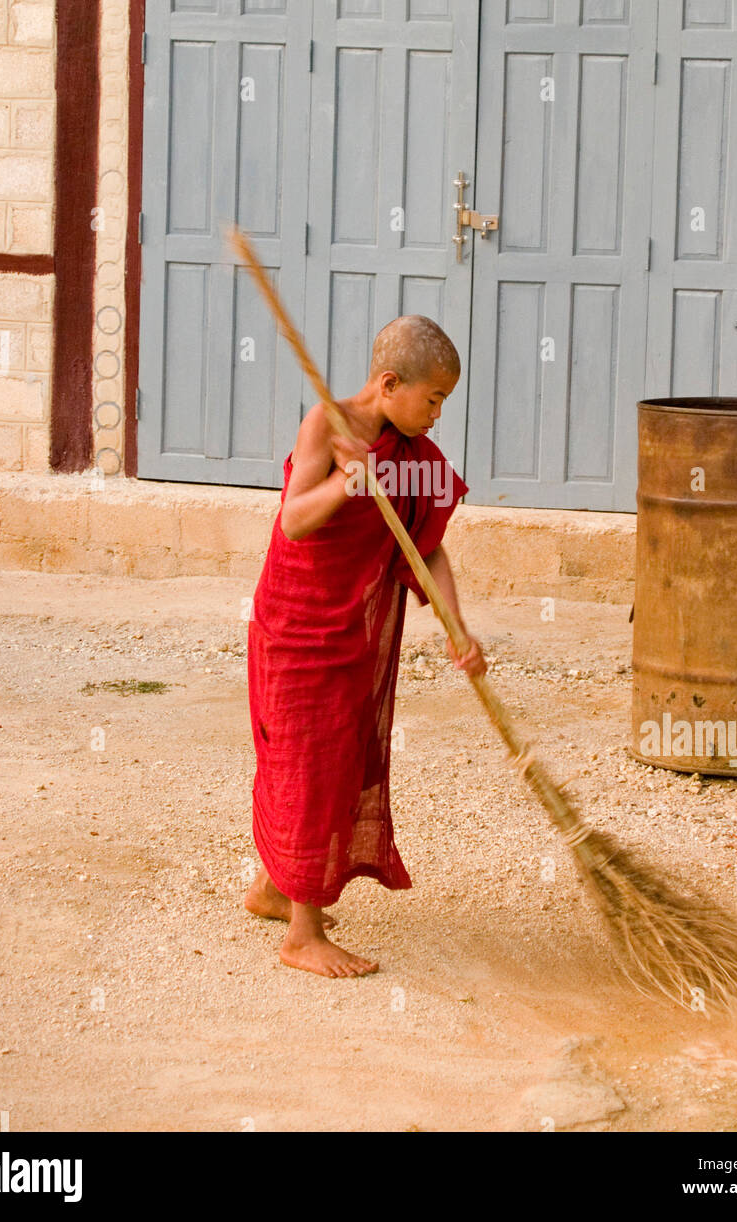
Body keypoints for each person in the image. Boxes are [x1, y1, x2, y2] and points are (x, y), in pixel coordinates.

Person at [245, 314, 487, 977]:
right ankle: (302, 935)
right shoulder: (327, 426)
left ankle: (273, 888)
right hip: (298, 626)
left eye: (444, 400)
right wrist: (347, 483)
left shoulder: (418, 460)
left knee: (335, 760)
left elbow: (427, 546)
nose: (438, 413)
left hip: (354, 632)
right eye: (432, 398)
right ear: (389, 383)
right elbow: (294, 520)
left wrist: (455, 626)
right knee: (305, 765)